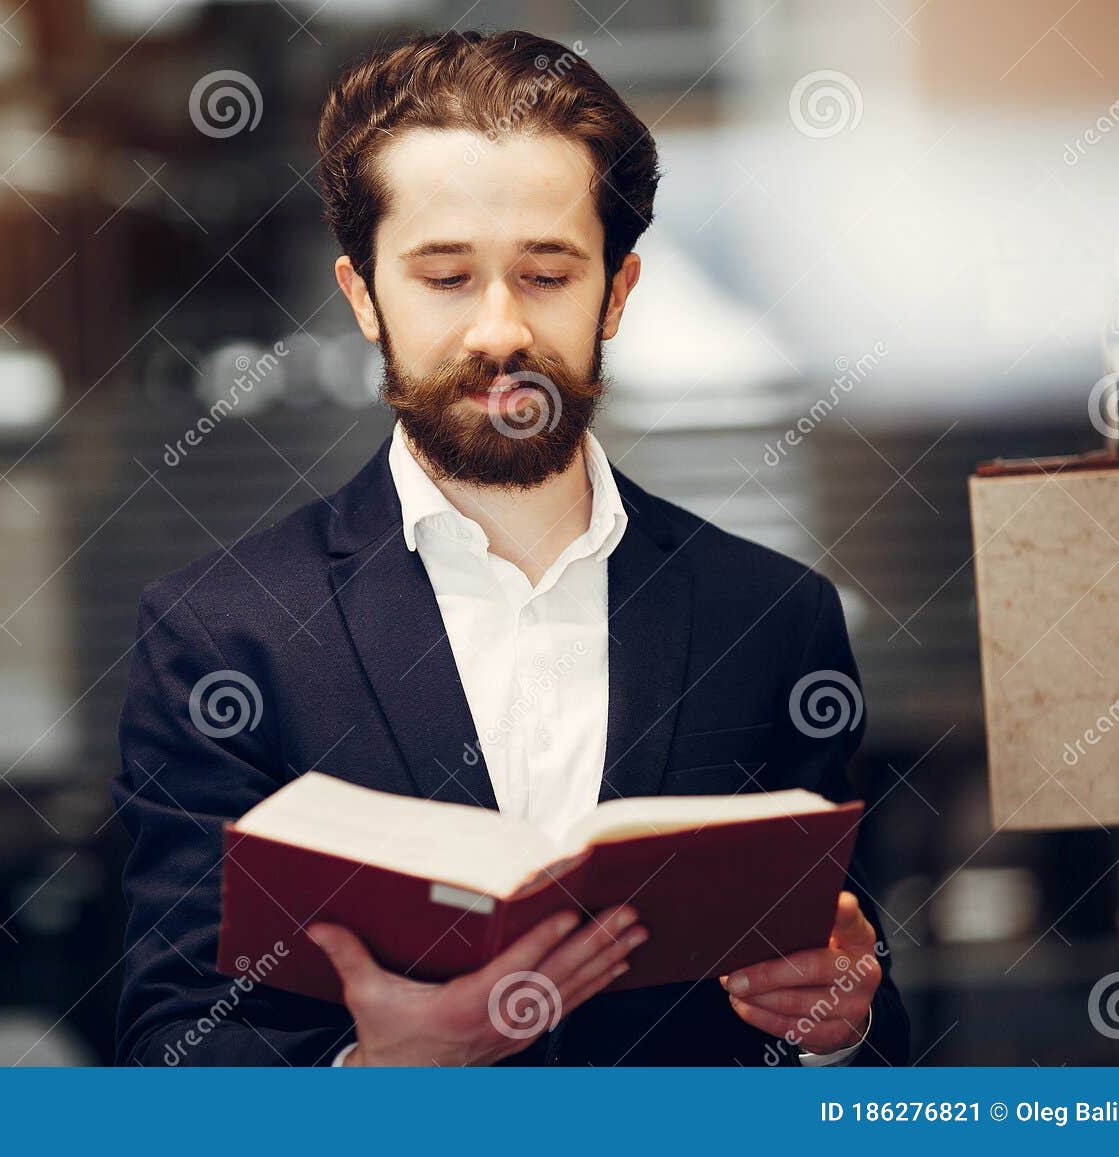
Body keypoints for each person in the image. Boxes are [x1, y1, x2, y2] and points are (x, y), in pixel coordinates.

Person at [113, 28, 909, 1067]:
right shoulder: (221, 638)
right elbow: (167, 1053)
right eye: (445, 276)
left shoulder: (770, 619)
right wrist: (377, 1080)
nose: (498, 328)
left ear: (615, 293)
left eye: (544, 273)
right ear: (363, 297)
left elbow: (868, 1030)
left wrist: (840, 1026)